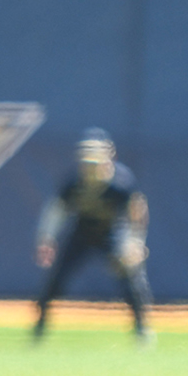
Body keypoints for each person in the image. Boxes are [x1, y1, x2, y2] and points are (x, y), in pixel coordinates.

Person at [33, 127, 153, 344]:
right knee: (56, 279)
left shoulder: (121, 183)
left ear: (109, 158)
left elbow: (137, 212)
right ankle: (39, 329)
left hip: (112, 231)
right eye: (86, 162)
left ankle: (142, 330)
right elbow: (56, 211)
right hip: (82, 231)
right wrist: (46, 238)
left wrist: (135, 242)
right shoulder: (73, 182)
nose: (90, 167)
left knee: (131, 276)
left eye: (95, 162)